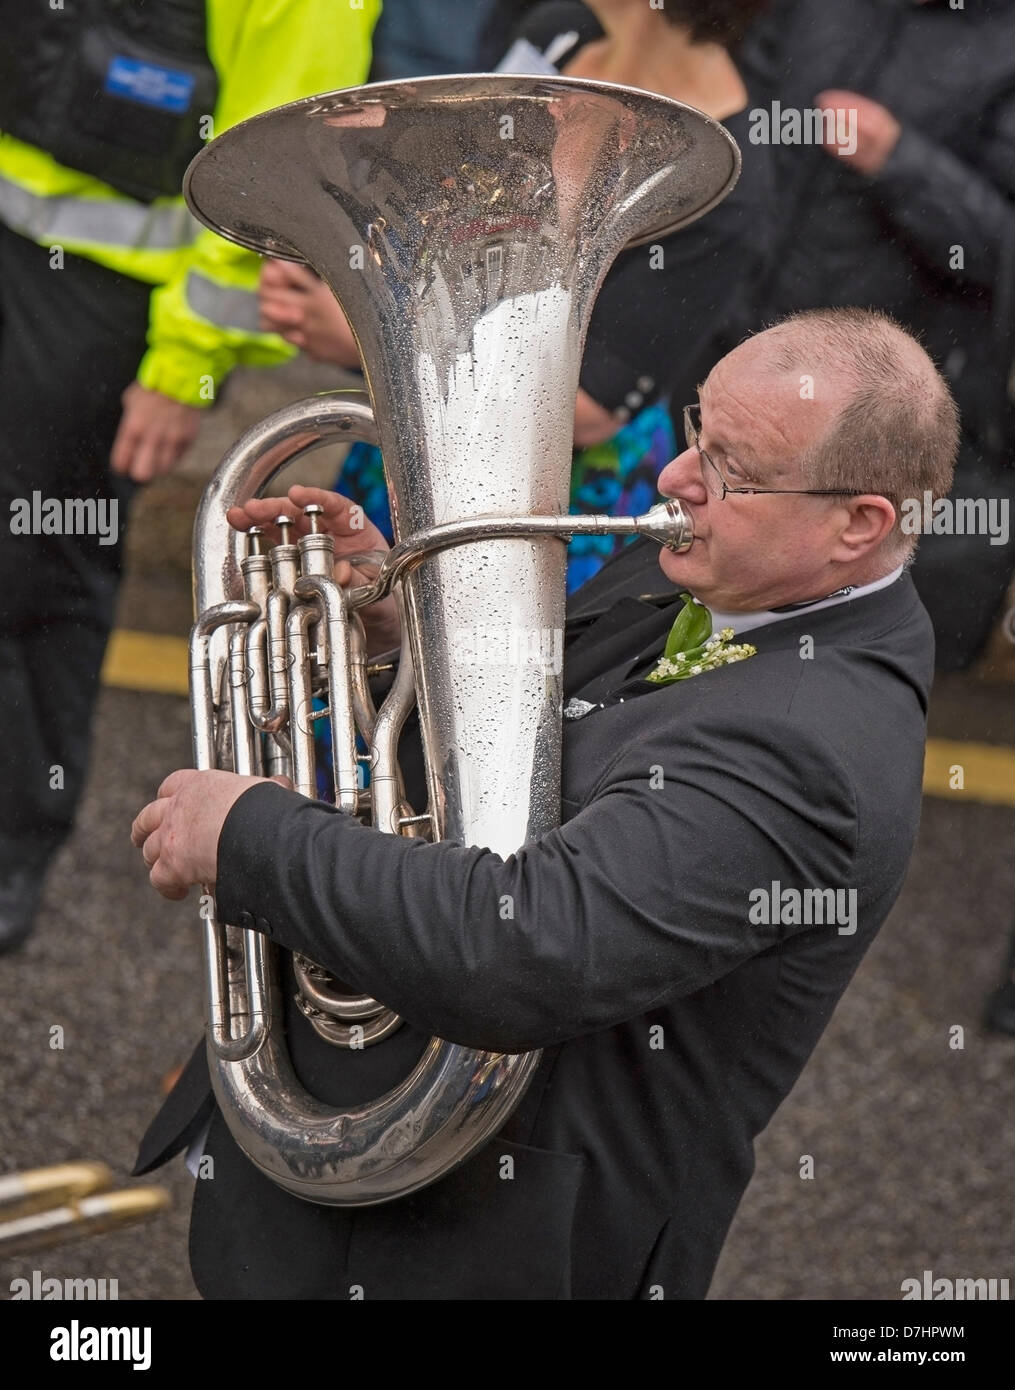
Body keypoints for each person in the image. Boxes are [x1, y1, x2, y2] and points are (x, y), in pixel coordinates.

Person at [131, 307, 958, 1300]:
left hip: (478, 1245)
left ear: (859, 524)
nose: (674, 477)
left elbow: (521, 945)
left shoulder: (806, 746)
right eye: (698, 431)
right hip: (348, 1163)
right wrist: (390, 638)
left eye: (732, 471)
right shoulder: (706, 564)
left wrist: (249, 838)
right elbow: (511, 744)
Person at [0, 0, 380, 952]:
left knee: (36, 575)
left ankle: (12, 849)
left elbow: (270, 161)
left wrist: (184, 367)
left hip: (107, 301)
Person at [257, 0, 774, 590]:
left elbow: (590, 410)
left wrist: (371, 337)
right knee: (363, 617)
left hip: (548, 484)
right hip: (431, 418)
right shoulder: (559, 33)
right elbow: (454, 191)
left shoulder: (731, 182)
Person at [739, 0, 1015, 670]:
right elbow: (740, 108)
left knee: (828, 652)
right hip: (742, 345)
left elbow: (1001, 248)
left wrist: (900, 160)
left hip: (880, 406)